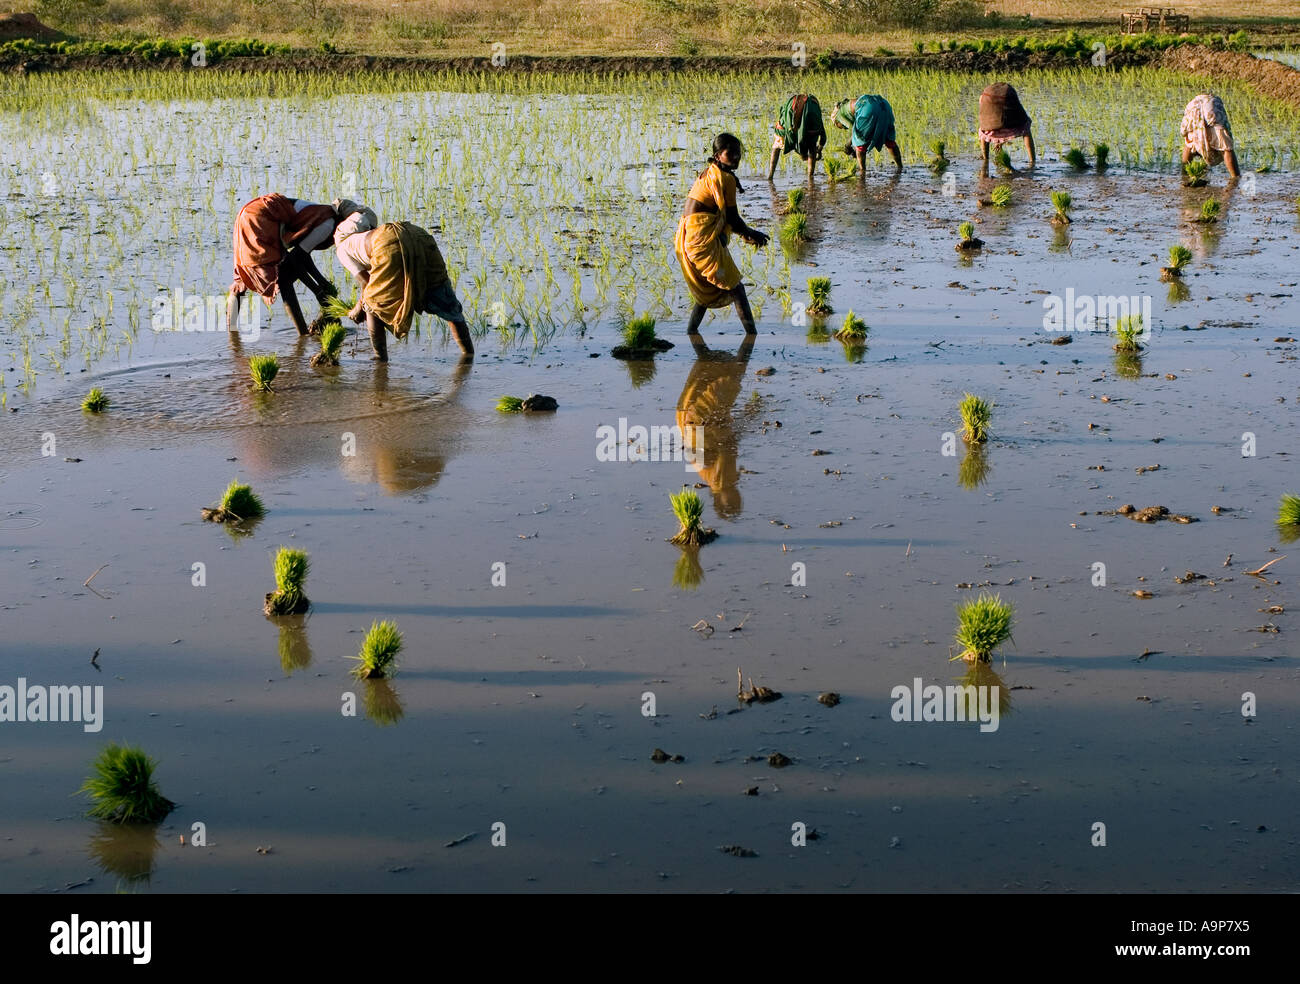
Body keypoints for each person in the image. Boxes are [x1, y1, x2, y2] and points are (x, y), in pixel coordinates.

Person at [674, 133, 769, 336]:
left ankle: (691, 333)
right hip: (701, 240)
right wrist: (752, 233)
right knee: (737, 289)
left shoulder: (709, 172)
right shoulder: (724, 178)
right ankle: (752, 336)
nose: (736, 157)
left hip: (689, 237)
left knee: (709, 287)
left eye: (738, 153)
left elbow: (723, 217)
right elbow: (732, 218)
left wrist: (744, 233)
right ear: (718, 155)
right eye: (730, 153)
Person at [345, 219, 473, 361]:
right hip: (419, 236)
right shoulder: (368, 229)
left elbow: (367, 283)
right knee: (444, 299)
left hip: (387, 245)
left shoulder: (342, 248)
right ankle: (468, 355)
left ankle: (380, 358)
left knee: (372, 305)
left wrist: (358, 308)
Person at [227, 194, 347, 336]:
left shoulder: (322, 215)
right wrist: (319, 290)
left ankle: (231, 334)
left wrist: (321, 283)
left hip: (248, 212)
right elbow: (296, 258)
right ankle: (302, 334)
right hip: (261, 218)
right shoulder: (328, 224)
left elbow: (302, 255)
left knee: (245, 275)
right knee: (282, 277)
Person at [832, 95, 902, 173]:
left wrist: (847, 147)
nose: (843, 128)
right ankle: (900, 167)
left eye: (840, 127)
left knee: (860, 145)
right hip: (884, 104)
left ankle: (862, 173)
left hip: (868, 108)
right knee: (889, 141)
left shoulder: (839, 116)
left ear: (837, 122)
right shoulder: (848, 106)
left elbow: (856, 133)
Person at [767, 93, 827, 181]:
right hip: (801, 124)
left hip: (788, 123)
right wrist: (819, 149)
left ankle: (770, 175)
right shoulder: (814, 110)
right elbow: (822, 136)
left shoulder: (811, 109)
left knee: (777, 146)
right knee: (812, 148)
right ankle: (810, 178)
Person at [978, 82, 1036, 171]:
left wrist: (1000, 142)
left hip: (994, 125)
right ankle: (1032, 161)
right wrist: (1000, 142)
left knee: (984, 130)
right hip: (1009, 122)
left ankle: (985, 160)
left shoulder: (985, 99)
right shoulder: (1010, 99)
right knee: (1026, 130)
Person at [1180, 93, 1240, 178]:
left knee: (1190, 144)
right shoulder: (1216, 101)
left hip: (1193, 107)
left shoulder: (1194, 101)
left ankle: (1184, 174)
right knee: (1226, 147)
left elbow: (1184, 132)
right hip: (1212, 108)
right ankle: (1235, 176)